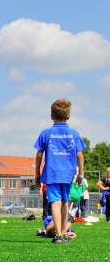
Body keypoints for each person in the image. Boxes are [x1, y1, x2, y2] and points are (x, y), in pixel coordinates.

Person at [34, 99, 85, 243]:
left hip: (52, 173)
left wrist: (37, 174)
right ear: (68, 116)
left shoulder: (46, 133)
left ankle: (58, 235)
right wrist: (81, 174)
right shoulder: (73, 134)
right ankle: (63, 233)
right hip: (68, 173)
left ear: (51, 115)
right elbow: (80, 155)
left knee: (55, 202)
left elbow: (39, 155)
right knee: (64, 201)